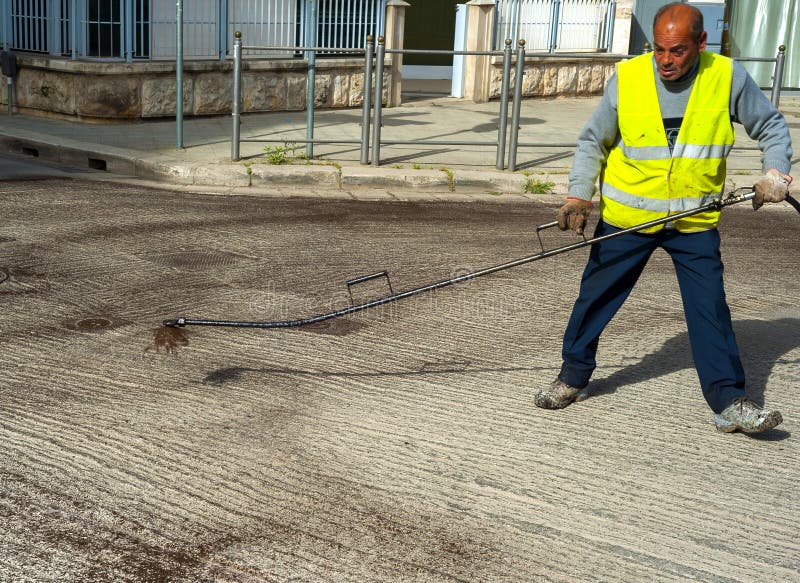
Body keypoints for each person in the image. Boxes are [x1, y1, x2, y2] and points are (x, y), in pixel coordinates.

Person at [534, 2, 793, 433]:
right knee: (595, 299)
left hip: (693, 222)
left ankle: (729, 401)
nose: (665, 60)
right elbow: (593, 141)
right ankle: (572, 378)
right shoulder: (629, 78)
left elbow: (771, 127)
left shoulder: (726, 76)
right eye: (659, 49)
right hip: (628, 220)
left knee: (709, 308)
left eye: (677, 50)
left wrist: (775, 173)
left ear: (701, 43)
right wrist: (579, 195)